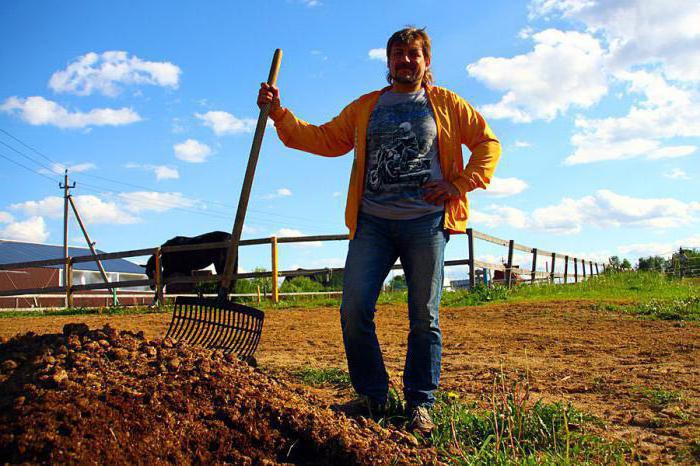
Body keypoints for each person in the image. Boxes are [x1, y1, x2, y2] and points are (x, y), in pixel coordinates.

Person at [258, 27, 501, 432]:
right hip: (372, 223)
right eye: (398, 54)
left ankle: (420, 402)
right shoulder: (366, 107)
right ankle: (372, 396)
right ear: (388, 62)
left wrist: (459, 184)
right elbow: (323, 138)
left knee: (424, 315)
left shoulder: (446, 104)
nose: (406, 60)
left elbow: (487, 144)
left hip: (426, 222)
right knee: (354, 309)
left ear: (426, 62)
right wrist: (279, 114)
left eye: (414, 54)